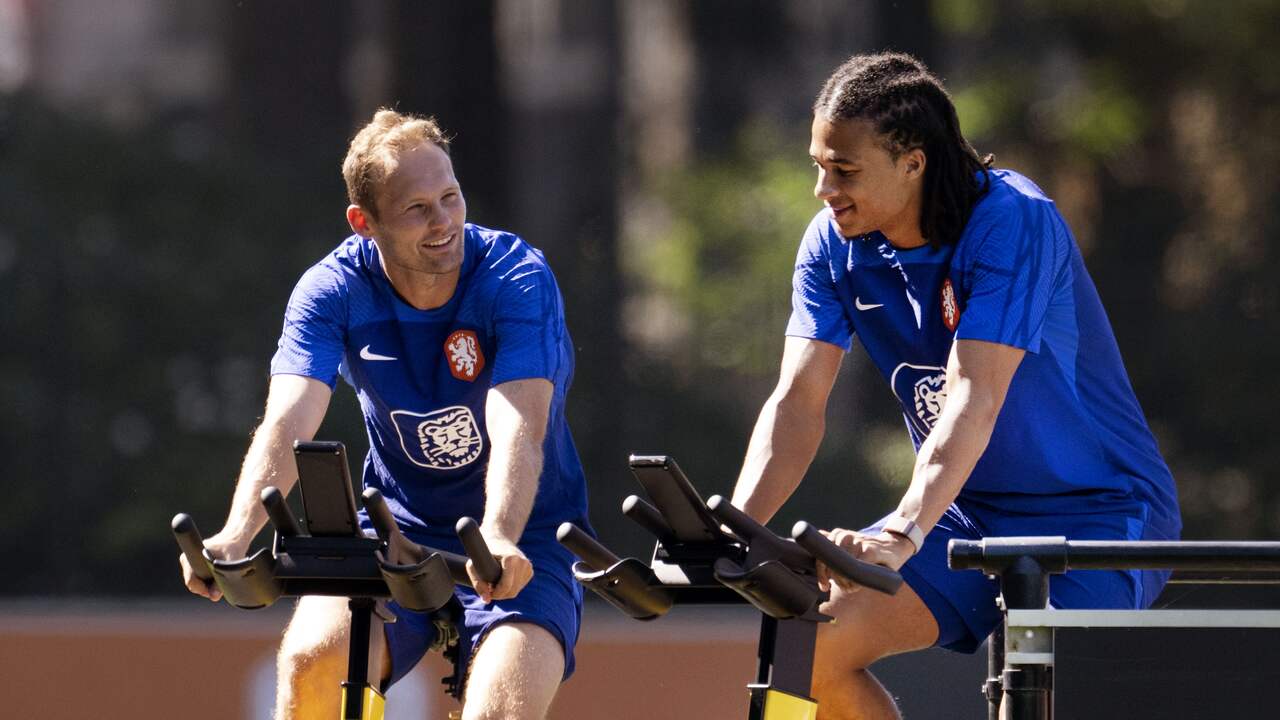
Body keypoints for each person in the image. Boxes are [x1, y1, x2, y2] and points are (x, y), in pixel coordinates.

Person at [729, 52, 1181, 719]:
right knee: (803, 648)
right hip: (966, 512)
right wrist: (732, 530)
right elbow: (797, 403)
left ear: (913, 162)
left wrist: (904, 531)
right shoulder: (831, 244)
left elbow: (976, 396)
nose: (823, 190)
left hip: (1099, 512)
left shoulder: (1013, 221)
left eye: (844, 170)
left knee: (1031, 682)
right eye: (818, 166)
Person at [178, 108, 590, 720]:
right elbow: (289, 418)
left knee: (501, 711)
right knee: (313, 664)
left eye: (450, 197)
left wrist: (499, 533)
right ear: (364, 223)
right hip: (393, 529)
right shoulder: (332, 289)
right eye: (417, 209)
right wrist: (239, 531)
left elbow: (518, 421)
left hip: (524, 535)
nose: (443, 222)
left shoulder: (515, 276)